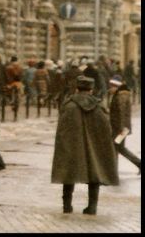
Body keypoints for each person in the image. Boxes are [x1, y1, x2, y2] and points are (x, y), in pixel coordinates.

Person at [51, 75, 119, 215]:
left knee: (68, 173)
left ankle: (67, 206)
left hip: (73, 146)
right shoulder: (99, 106)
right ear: (91, 89)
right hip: (94, 146)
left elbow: (62, 129)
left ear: (77, 88)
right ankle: (92, 207)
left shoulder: (69, 105)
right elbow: (106, 128)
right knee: (95, 173)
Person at [108, 75, 141, 172]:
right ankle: (138, 163)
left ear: (116, 86)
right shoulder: (120, 94)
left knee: (115, 147)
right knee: (119, 148)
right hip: (120, 127)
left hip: (120, 128)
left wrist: (121, 129)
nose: (110, 88)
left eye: (112, 86)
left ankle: (112, 171)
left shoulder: (121, 96)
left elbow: (121, 113)